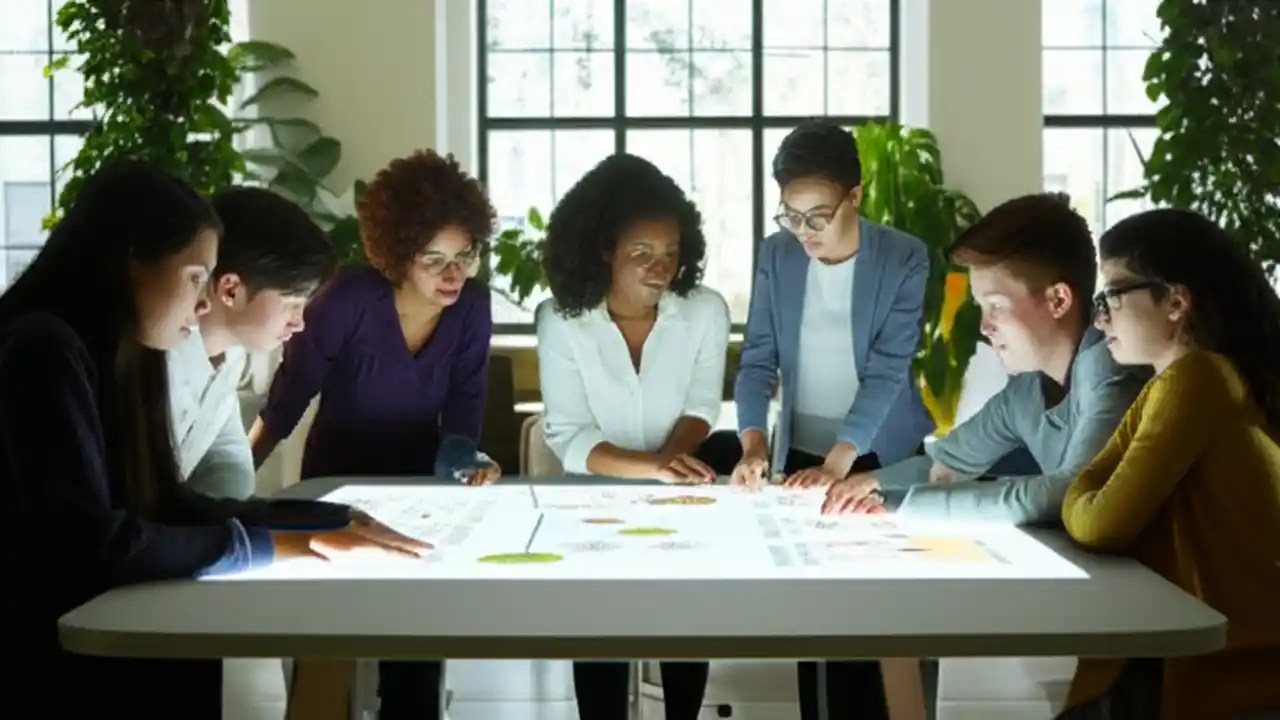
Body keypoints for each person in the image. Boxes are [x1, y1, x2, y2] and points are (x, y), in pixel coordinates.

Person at [0, 161, 429, 719]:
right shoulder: (44, 349)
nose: (204, 305)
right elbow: (89, 543)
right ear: (133, 261)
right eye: (195, 276)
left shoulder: (124, 354)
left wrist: (316, 521)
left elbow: (165, 501)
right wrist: (267, 546)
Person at [249, 148, 501, 719]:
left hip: (420, 489)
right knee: (328, 649)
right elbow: (289, 397)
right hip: (337, 486)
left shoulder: (472, 308)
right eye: (434, 259)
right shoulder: (349, 298)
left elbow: (465, 402)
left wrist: (463, 456)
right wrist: (230, 483)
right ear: (397, 254)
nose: (452, 274)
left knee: (414, 645)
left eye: (464, 256)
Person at [728, 120, 934, 720]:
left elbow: (888, 370)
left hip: (877, 454)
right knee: (814, 622)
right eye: (790, 215)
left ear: (856, 196)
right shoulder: (777, 254)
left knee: (878, 623)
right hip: (800, 458)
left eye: (818, 215)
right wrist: (752, 446)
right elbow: (758, 358)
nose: (804, 232)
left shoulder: (903, 257)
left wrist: (838, 464)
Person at [1056, 209, 1280, 720]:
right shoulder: (1190, 380)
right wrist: (1082, 492)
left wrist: (1075, 493)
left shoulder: (1195, 379)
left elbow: (1099, 521)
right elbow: (1092, 493)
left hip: (1236, 672)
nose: (1099, 318)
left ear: (1175, 301)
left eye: (1112, 295)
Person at [536, 153, 729, 720]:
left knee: (686, 633)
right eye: (641, 253)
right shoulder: (561, 319)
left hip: (683, 495)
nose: (659, 268)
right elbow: (569, 435)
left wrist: (669, 465)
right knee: (598, 644)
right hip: (593, 502)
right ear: (602, 250)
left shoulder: (705, 311)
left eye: (670, 253)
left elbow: (701, 405)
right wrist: (653, 469)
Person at [822, 193, 1149, 524]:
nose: (983, 326)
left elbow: (1071, 492)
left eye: (997, 305)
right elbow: (945, 465)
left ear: (1058, 300)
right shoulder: (1025, 391)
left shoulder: (1108, 366)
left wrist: (897, 504)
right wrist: (863, 486)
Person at [168, 186, 336, 500]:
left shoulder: (231, 357)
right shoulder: (159, 361)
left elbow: (225, 455)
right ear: (230, 290)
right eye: (291, 302)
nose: (298, 322)